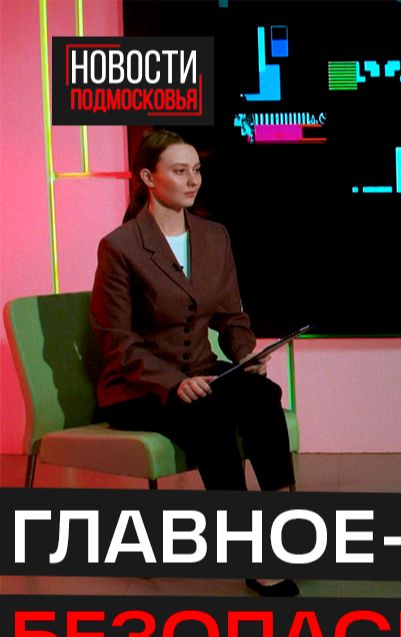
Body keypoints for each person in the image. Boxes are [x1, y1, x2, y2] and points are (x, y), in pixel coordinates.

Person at [90, 128, 300, 597]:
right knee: (210, 415)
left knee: (262, 394)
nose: (193, 181)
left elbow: (230, 315)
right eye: (180, 171)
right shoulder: (121, 246)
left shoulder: (213, 236)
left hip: (203, 373)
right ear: (149, 177)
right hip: (138, 386)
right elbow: (116, 341)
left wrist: (245, 353)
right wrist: (172, 382)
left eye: (197, 171)